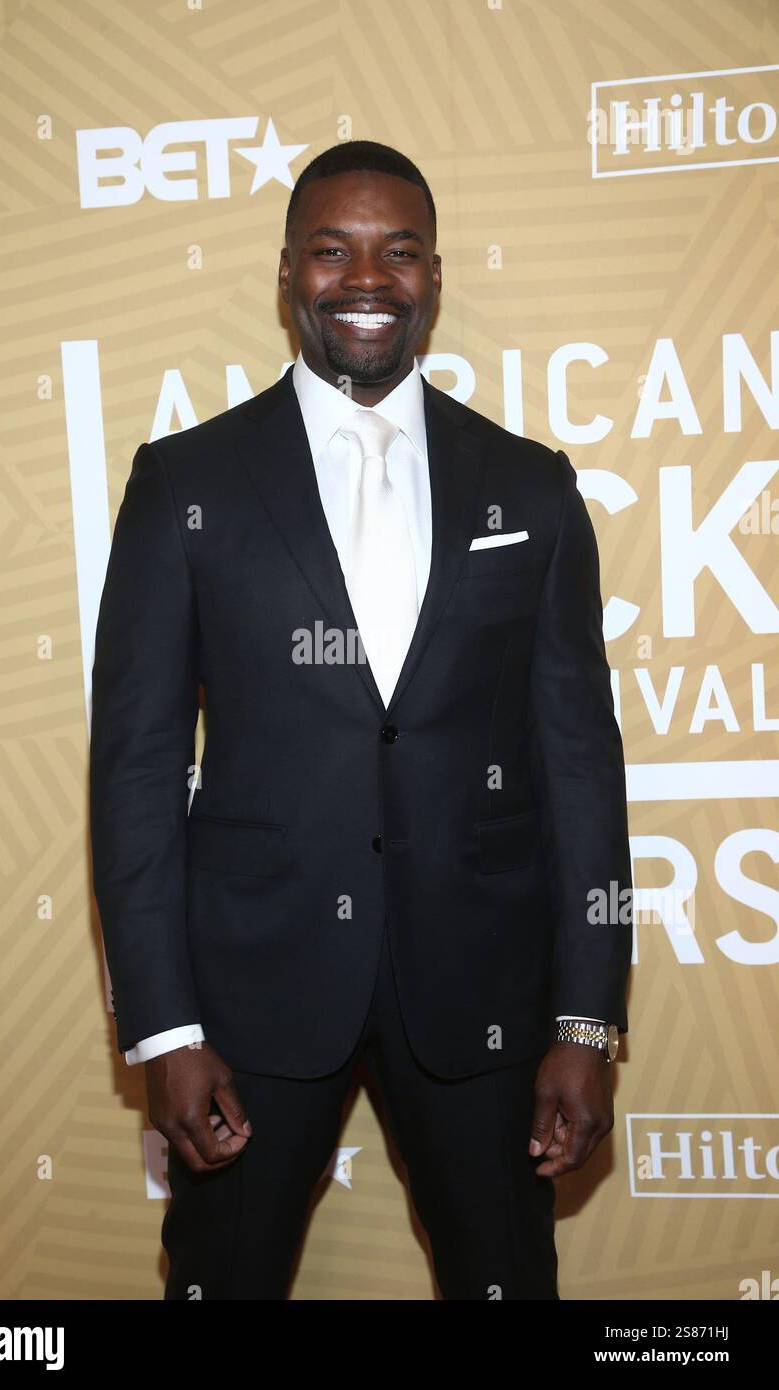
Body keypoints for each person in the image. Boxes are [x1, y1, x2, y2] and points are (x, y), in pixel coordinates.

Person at [89, 140, 633, 1301]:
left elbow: (579, 764)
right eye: (332, 250)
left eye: (397, 252)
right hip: (248, 999)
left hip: (481, 990)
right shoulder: (185, 484)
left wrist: (584, 1023)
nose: (365, 279)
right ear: (287, 273)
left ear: (434, 275)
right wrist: (165, 1031)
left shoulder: (529, 487)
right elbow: (135, 768)